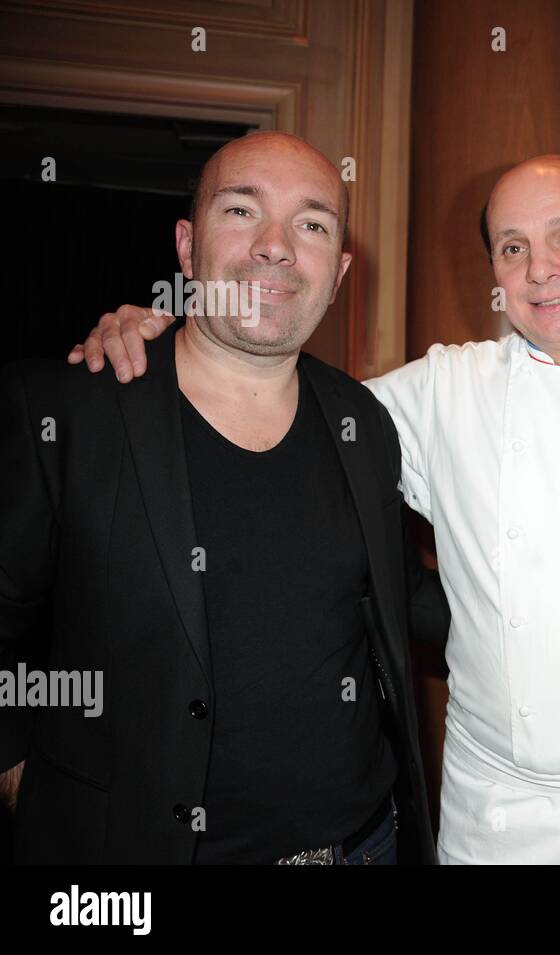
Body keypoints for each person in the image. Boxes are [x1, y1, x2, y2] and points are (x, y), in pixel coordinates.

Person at [68, 154, 560, 864]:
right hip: (494, 813)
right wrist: (168, 334)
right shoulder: (444, 390)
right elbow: (276, 400)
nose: (540, 269)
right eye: (512, 248)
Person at [0, 131, 450, 864]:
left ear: (336, 273)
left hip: (367, 845)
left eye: (311, 224)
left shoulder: (361, 420)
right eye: (242, 211)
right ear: (186, 246)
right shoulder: (66, 409)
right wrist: (32, 783)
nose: (275, 246)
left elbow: (395, 593)